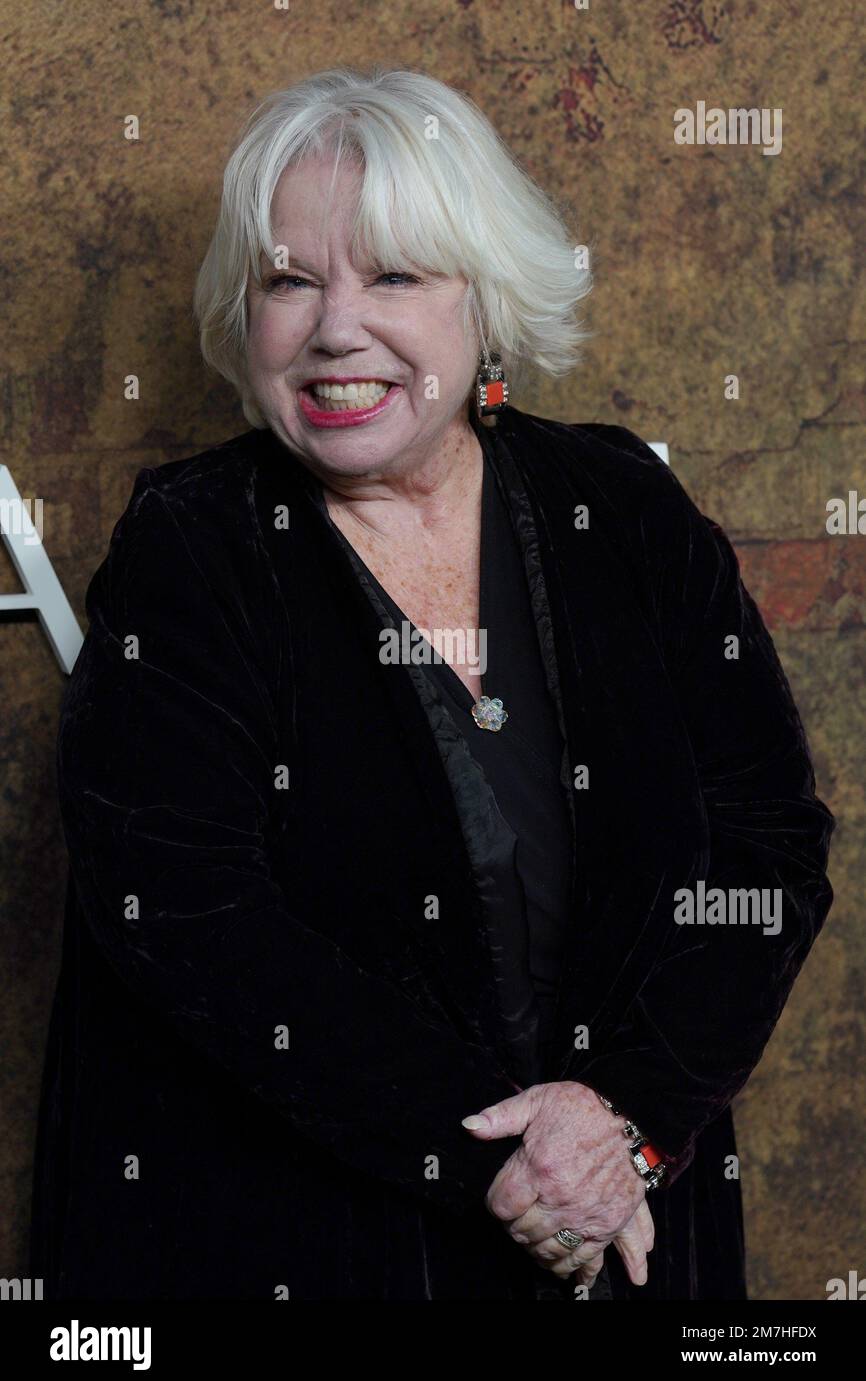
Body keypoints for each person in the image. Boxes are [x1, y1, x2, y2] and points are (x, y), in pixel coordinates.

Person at [31, 65, 834, 1301]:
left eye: (394, 275)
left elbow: (766, 843)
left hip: (623, 1230)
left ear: (485, 303)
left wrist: (624, 1126)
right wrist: (516, 1166)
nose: (335, 328)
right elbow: (190, 918)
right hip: (316, 1256)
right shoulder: (192, 548)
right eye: (288, 280)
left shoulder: (617, 508)